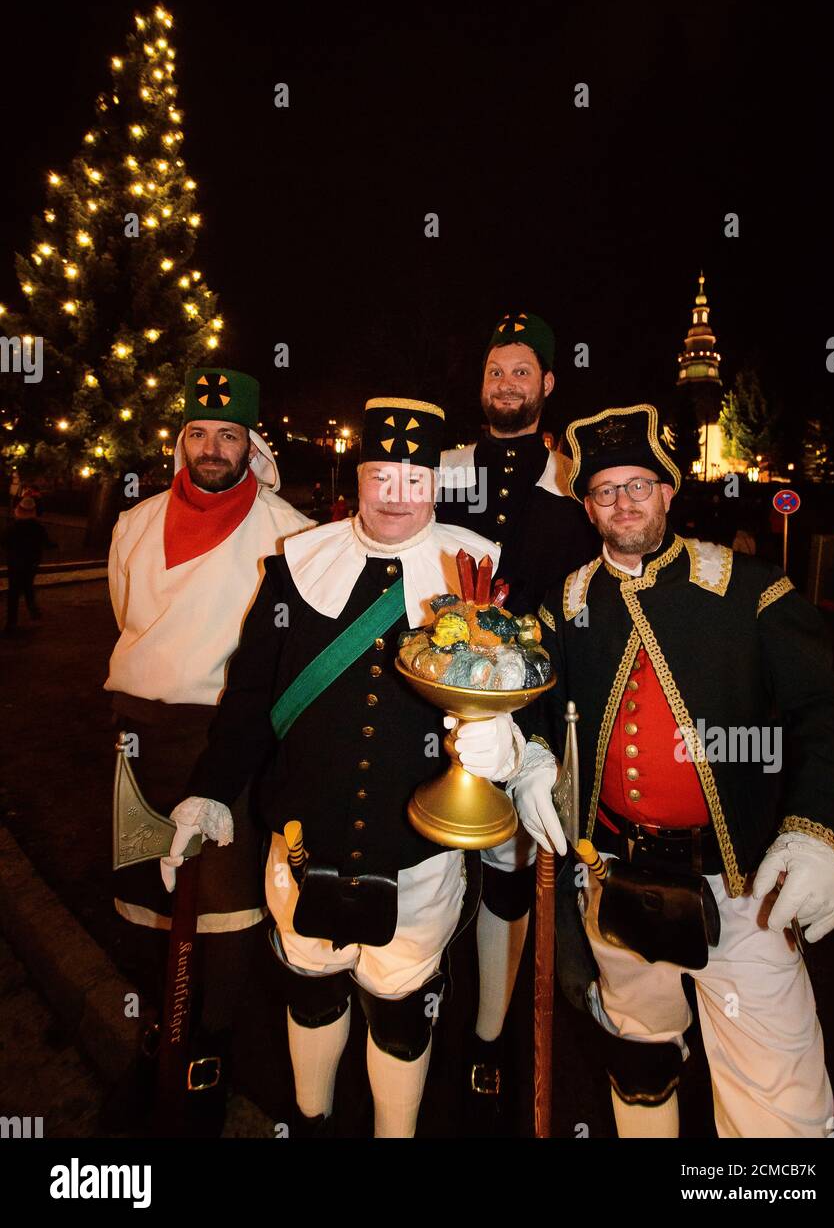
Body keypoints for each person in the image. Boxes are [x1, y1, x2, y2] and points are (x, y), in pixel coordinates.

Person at [505, 403, 834, 1137]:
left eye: (640, 485)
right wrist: (530, 756)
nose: (624, 503)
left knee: (777, 1100)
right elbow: (527, 698)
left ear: (670, 492)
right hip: (617, 880)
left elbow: (824, 716)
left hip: (741, 888)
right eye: (605, 491)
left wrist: (819, 832)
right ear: (587, 506)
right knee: (637, 1063)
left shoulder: (750, 588)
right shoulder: (565, 603)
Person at [164, 397, 515, 1137]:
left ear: (436, 485)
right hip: (300, 843)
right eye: (379, 475)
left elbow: (515, 698)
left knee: (400, 1014)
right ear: (356, 478)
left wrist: (510, 752)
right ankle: (311, 1124)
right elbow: (251, 698)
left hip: (419, 856)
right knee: (313, 995)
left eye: (412, 479)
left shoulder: (478, 570)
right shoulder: (296, 566)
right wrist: (209, 792)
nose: (395, 495)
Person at [103, 367, 313, 1132]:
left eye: (230, 435)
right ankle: (154, 1047)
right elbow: (126, 613)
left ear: (252, 444)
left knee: (222, 917)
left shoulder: (287, 533)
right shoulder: (134, 523)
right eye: (200, 432)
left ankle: (204, 1068)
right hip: (137, 736)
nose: (213, 448)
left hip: (221, 739)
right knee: (143, 905)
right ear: (181, 440)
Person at [437, 311, 596, 1113]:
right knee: (431, 857)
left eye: (522, 371)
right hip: (438, 700)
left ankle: (490, 1035)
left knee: (508, 868)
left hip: (537, 708)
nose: (507, 383)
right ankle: (415, 1002)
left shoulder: (575, 482)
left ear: (548, 385)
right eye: (497, 370)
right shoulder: (446, 467)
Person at [2, 495, 56, 634]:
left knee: (14, 592)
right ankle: (33, 611)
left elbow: (4, 542)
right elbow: (47, 543)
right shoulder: (38, 528)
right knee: (27, 585)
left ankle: (11, 623)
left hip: (15, 563)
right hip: (31, 563)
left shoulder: (13, 527)